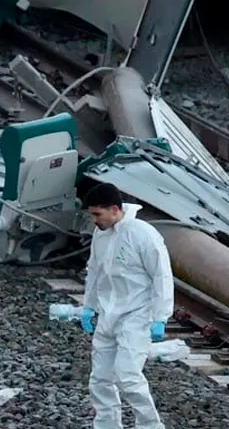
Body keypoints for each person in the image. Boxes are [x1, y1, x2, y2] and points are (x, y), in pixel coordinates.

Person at [80, 183, 175, 429]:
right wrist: (89, 306)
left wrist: (160, 316)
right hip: (108, 314)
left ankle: (150, 426)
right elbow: (95, 270)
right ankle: (107, 425)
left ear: (114, 209)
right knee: (100, 379)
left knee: (128, 377)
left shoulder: (143, 234)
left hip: (136, 315)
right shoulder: (101, 234)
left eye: (97, 214)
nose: (94, 220)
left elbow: (161, 276)